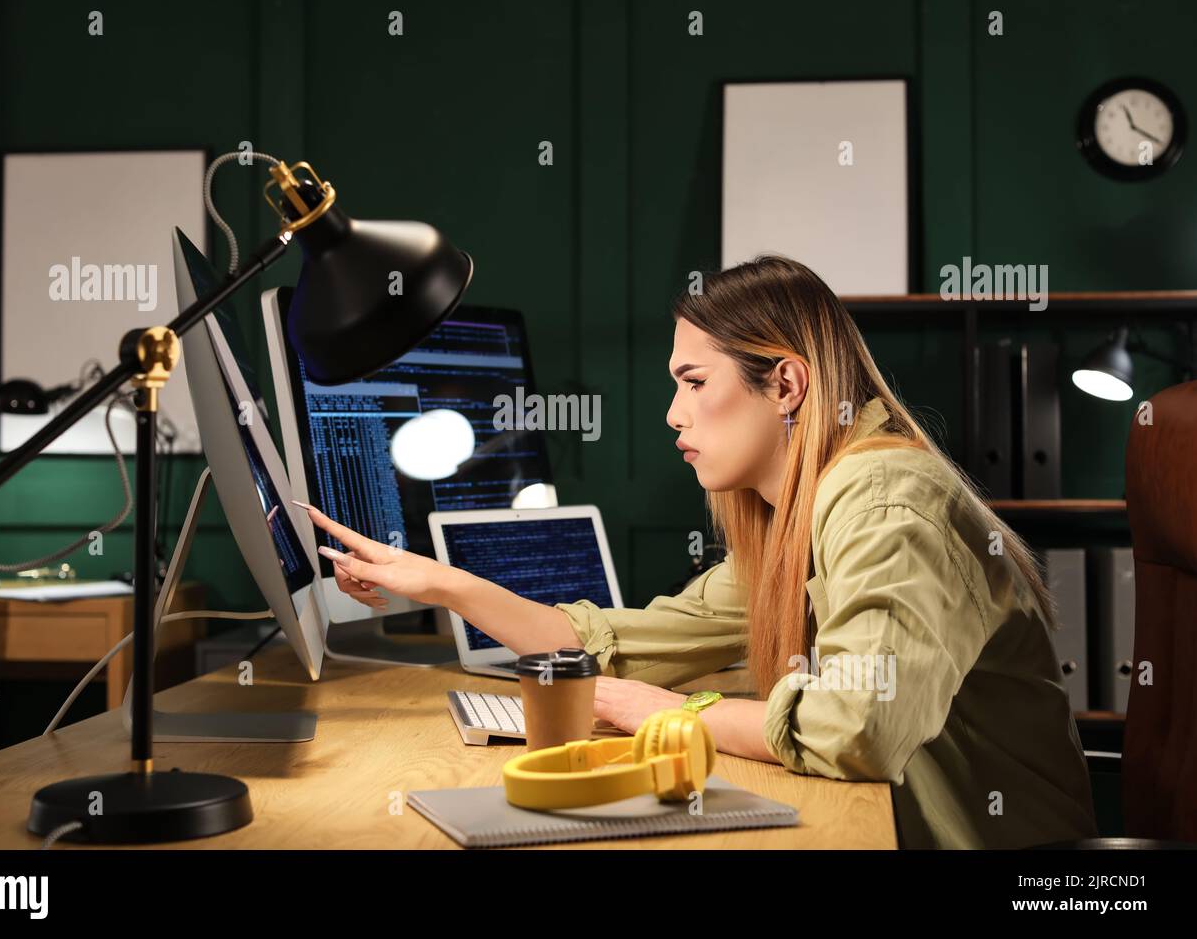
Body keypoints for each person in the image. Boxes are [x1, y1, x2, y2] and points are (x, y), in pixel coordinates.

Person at [294, 255, 1099, 849]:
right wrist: (441, 584)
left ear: (785, 386)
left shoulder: (886, 501)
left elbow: (860, 729)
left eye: (694, 382)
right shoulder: (794, 520)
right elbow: (626, 645)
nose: (673, 415)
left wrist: (671, 715)